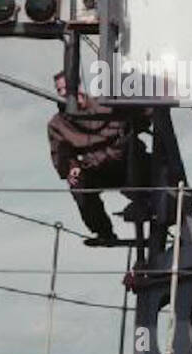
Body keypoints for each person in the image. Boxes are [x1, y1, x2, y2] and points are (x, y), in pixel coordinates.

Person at [47, 72, 139, 246]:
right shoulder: (57, 123)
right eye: (60, 90)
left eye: (67, 87)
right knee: (77, 184)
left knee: (155, 168)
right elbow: (61, 152)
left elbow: (139, 118)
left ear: (79, 85)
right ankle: (104, 232)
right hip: (95, 169)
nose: (64, 93)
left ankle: (167, 211)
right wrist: (71, 167)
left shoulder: (107, 103)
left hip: (126, 164)